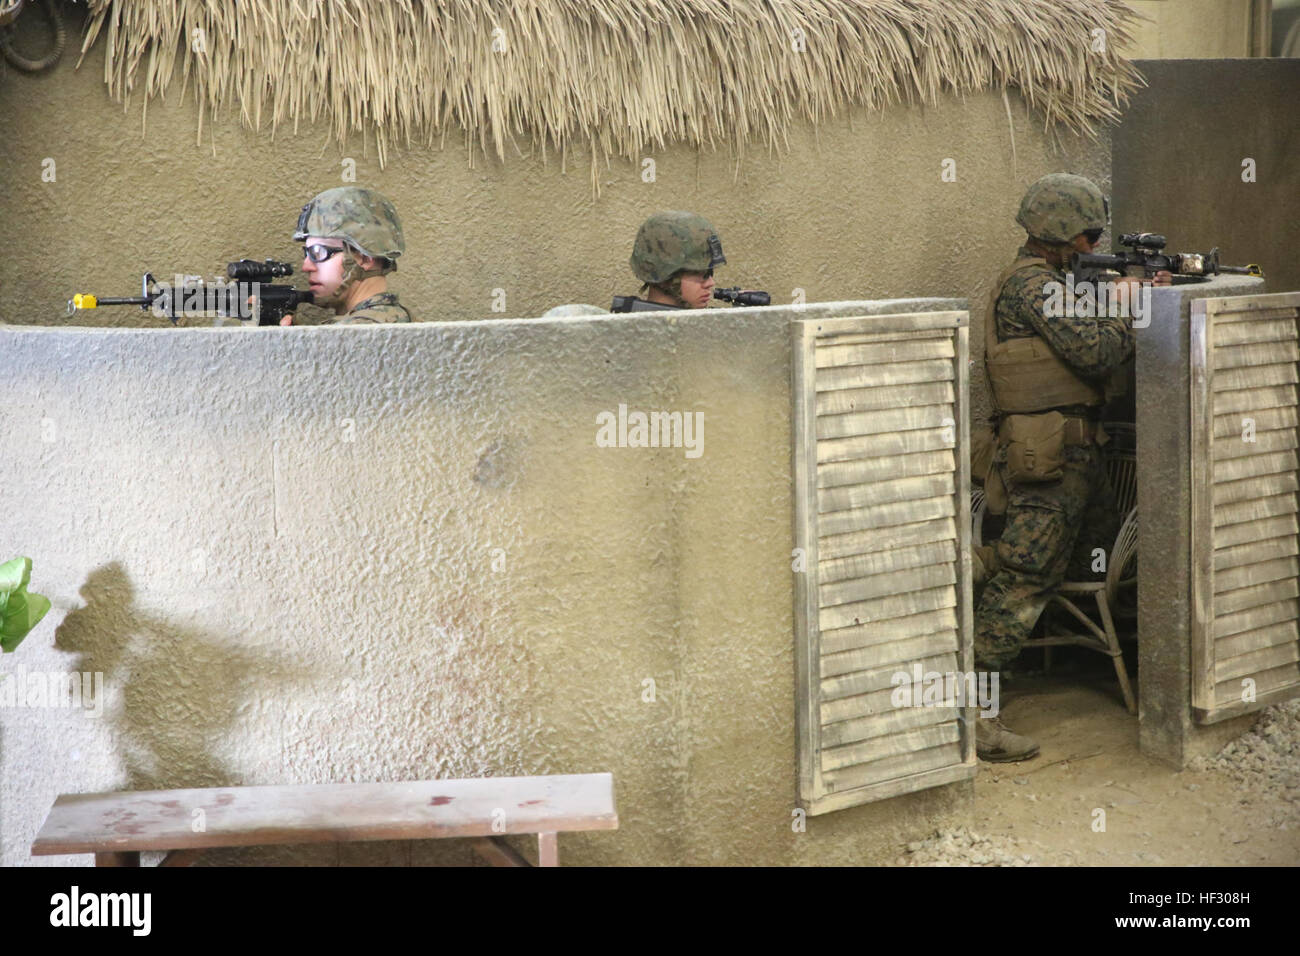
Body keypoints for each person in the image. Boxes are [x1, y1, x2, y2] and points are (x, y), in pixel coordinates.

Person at [974, 173, 1169, 762]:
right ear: (1059, 233)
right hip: (1049, 461)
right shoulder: (1032, 288)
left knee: (1107, 562)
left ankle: (1122, 673)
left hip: (1078, 456)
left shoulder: (1058, 283)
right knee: (1024, 579)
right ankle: (973, 718)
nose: (1092, 244)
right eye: (1086, 234)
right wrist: (1134, 307)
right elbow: (1099, 350)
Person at [282, 186, 411, 325]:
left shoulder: (357, 332)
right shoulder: (395, 318)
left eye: (318, 252)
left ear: (365, 258)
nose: (306, 267)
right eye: (307, 253)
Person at [611, 211, 725, 312]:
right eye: (699, 274)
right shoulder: (633, 330)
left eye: (710, 273)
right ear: (665, 277)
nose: (710, 283)